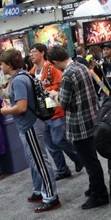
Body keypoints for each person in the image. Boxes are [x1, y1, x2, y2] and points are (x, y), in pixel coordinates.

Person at [49, 46, 111, 209]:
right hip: (91, 119)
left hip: (79, 124)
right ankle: (95, 188)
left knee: (89, 161)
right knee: (91, 158)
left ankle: (100, 194)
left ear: (55, 62)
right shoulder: (81, 66)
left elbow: (63, 102)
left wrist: (53, 95)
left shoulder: (68, 74)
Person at [0, 48, 60, 212]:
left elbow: (21, 107)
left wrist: (6, 110)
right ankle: (41, 190)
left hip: (30, 124)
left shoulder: (18, 80)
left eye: (2, 64)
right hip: (31, 123)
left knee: (40, 160)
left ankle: (50, 196)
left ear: (9, 64)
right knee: (35, 160)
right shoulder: (24, 75)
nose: (1, 67)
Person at [30, 42, 84, 179]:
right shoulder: (31, 72)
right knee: (50, 144)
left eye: (34, 51)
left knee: (59, 139)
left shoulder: (51, 68)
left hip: (55, 109)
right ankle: (62, 169)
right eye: (30, 52)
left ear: (42, 53)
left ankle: (78, 157)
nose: (31, 54)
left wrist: (45, 91)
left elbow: (61, 84)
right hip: (42, 112)